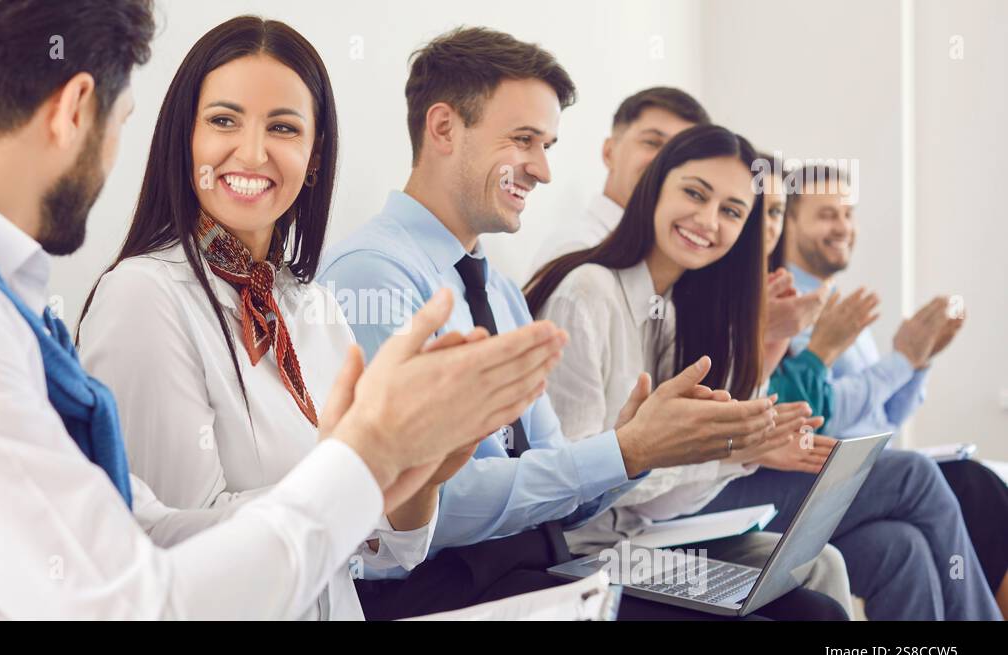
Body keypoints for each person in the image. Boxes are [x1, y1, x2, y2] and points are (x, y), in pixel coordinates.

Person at [0, 0, 562, 620]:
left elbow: (135, 523)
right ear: (79, 109)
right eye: (125, 119)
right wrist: (368, 451)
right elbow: (140, 605)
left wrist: (392, 467)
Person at [320, 28, 850, 621]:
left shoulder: (492, 287)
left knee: (811, 606)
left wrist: (640, 447)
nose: (543, 170)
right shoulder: (373, 275)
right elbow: (424, 506)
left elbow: (559, 490)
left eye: (546, 144)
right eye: (524, 140)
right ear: (443, 128)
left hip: (537, 562)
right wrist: (628, 449)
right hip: (443, 585)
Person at [77, 16, 471, 620]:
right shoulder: (142, 297)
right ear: (185, 139)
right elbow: (173, 547)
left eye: (283, 128)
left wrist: (424, 468)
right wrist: (364, 472)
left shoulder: (310, 302)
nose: (253, 152)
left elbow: (393, 553)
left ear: (314, 158)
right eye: (223, 120)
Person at [525, 125, 853, 614]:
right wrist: (724, 452)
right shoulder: (587, 293)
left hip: (638, 540)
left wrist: (736, 452)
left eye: (731, 211)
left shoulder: (676, 311)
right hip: (573, 556)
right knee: (812, 611)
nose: (707, 220)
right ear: (656, 187)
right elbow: (573, 498)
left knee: (823, 563)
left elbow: (652, 503)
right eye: (694, 193)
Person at [776, 163, 1008, 617]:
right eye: (827, 214)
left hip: (864, 465)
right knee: (963, 484)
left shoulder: (841, 303)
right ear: (789, 221)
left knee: (913, 537)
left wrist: (918, 360)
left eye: (848, 212)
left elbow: (879, 420)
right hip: (816, 471)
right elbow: (821, 417)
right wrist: (900, 360)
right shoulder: (784, 301)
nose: (843, 226)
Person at [529, 86, 710, 272]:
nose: (665, 161)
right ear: (609, 153)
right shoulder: (578, 253)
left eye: (681, 152)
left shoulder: (674, 257)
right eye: (652, 142)